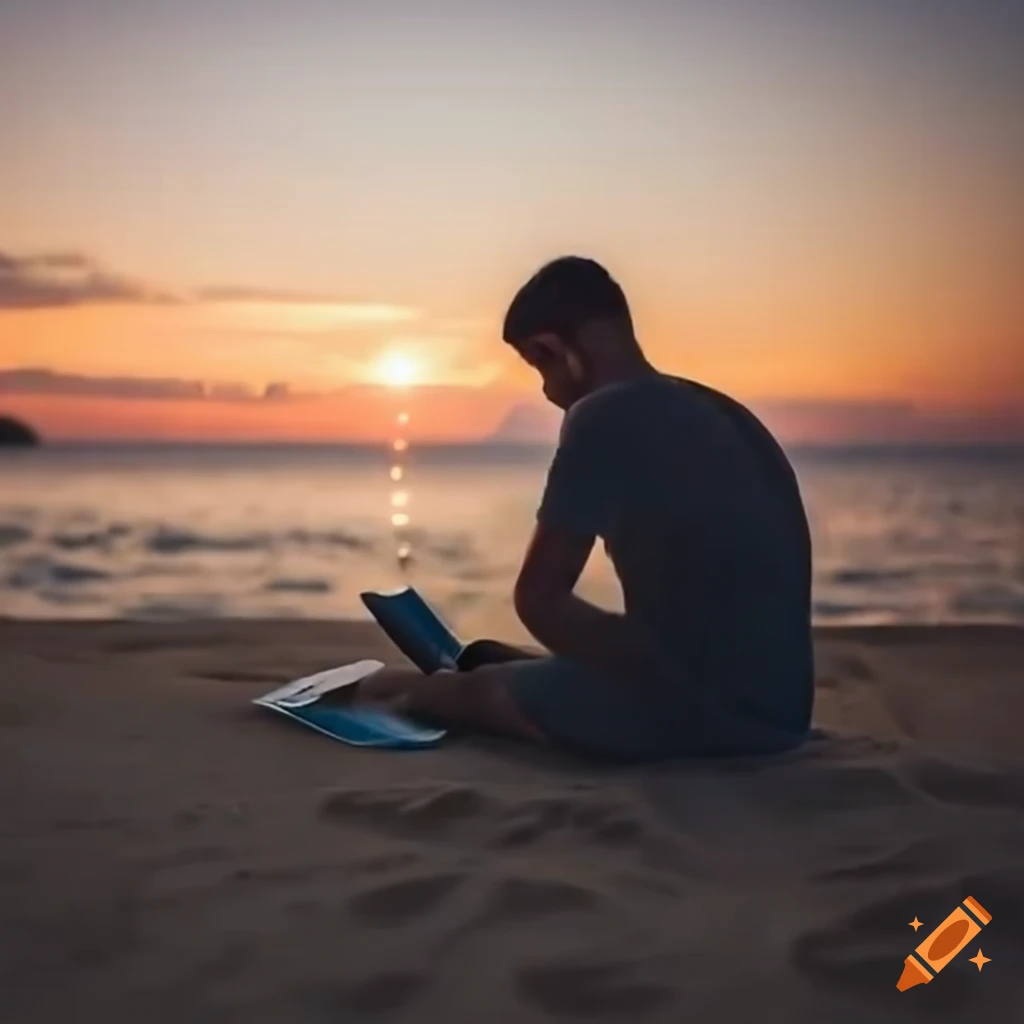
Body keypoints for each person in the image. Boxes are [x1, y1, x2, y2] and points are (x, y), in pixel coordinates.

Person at [354, 256, 815, 762]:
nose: (549, 391)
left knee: (448, 692)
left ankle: (370, 692)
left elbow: (539, 600)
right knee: (498, 666)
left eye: (541, 364)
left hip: (700, 717)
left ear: (560, 348)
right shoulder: (727, 412)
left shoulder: (603, 414)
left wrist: (629, 664)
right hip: (783, 717)